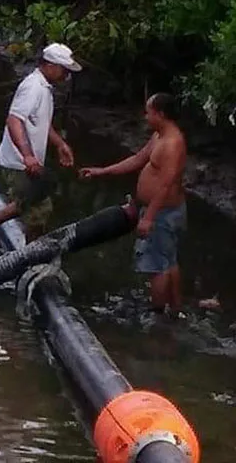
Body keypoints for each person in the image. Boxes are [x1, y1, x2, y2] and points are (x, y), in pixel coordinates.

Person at [80, 93, 188, 314]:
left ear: (160, 114)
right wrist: (102, 171)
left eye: (148, 112)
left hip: (162, 213)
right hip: (160, 211)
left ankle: (159, 315)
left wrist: (148, 218)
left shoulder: (173, 144)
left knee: (157, 266)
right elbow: (138, 159)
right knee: (168, 260)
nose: (145, 116)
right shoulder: (159, 136)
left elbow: (166, 184)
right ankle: (176, 310)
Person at [0, 43, 80, 240]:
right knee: (37, 212)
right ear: (50, 65)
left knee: (30, 201)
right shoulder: (33, 88)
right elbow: (14, 120)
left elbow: (42, 123)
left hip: (27, 161)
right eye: (64, 70)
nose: (66, 75)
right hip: (18, 161)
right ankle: (30, 257)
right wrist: (27, 156)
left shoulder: (45, 88)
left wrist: (59, 144)